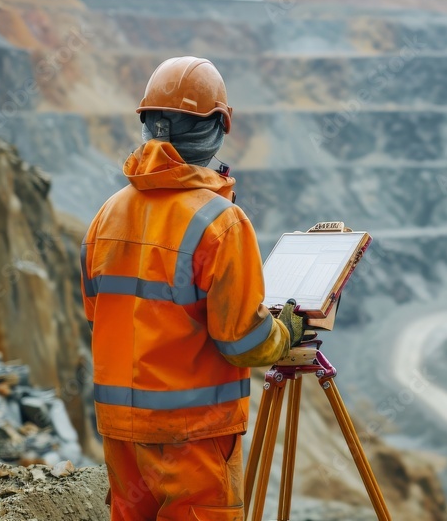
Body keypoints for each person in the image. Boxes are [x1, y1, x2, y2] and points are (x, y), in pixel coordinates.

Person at [80, 56, 305, 520]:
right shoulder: (220, 222)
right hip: (192, 433)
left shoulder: (107, 214)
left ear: (148, 125)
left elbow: (97, 313)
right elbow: (243, 340)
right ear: (219, 126)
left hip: (121, 430)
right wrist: (286, 331)